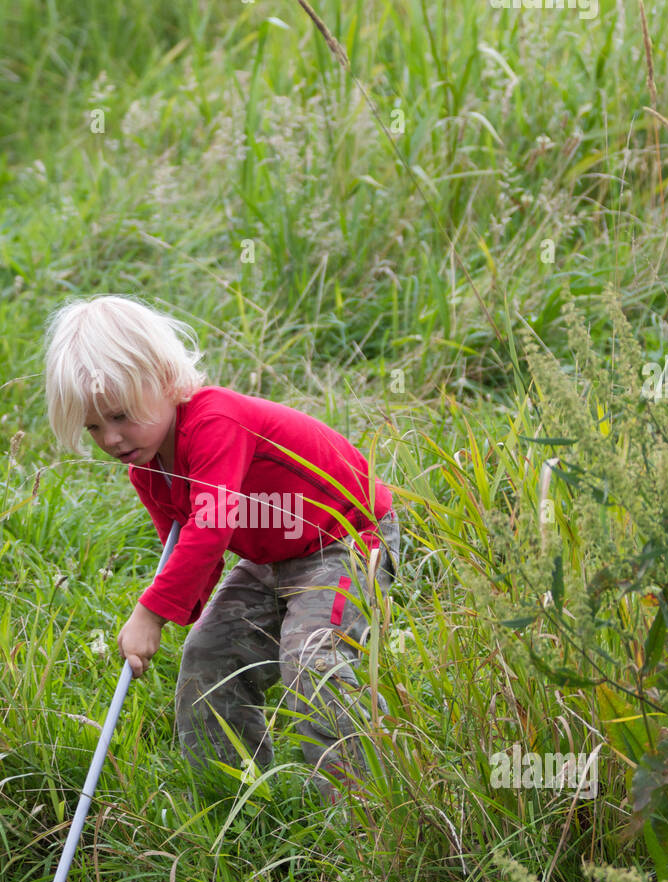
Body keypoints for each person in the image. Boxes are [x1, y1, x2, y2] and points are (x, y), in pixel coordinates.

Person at [43, 294, 400, 804]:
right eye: (94, 426)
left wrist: (150, 614)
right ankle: (234, 804)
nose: (112, 438)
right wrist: (174, 614)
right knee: (209, 657)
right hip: (272, 557)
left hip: (346, 539)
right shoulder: (147, 468)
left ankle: (363, 815)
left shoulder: (215, 421)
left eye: (121, 416)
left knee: (313, 661)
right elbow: (188, 551)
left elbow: (209, 528)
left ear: (165, 380)